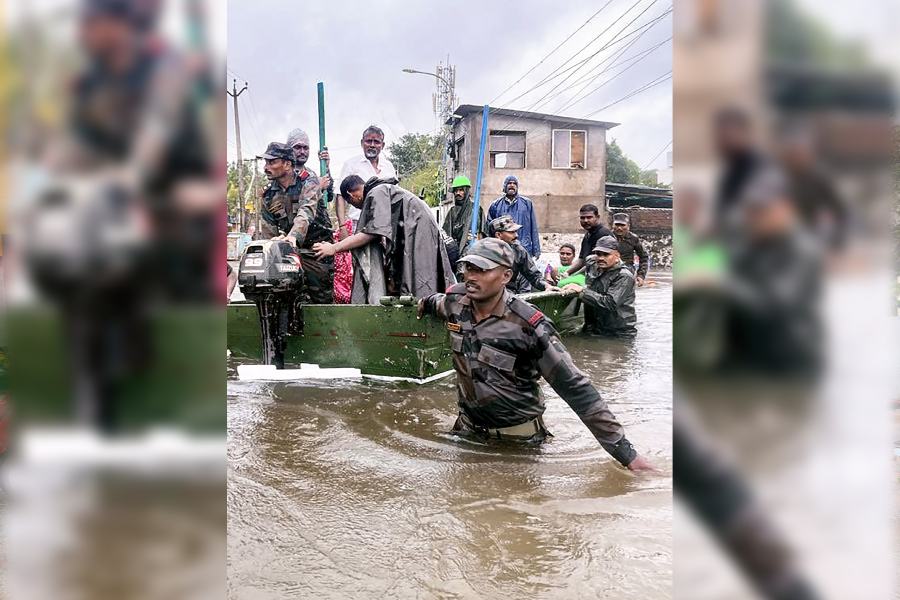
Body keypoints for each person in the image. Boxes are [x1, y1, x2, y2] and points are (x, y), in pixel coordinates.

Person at [417, 238, 653, 472]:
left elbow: (577, 389)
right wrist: (424, 303)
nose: (471, 276)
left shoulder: (529, 325)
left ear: (506, 276)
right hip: (466, 432)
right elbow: (436, 302)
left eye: (481, 270)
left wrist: (626, 454)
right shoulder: (455, 303)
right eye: (468, 268)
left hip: (518, 445)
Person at [313, 175, 454, 303]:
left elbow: (372, 232)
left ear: (351, 195)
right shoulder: (384, 190)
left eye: (352, 204)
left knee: (421, 279)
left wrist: (334, 248)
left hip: (419, 231)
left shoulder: (376, 192)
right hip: (416, 229)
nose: (357, 207)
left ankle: (424, 313)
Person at [258, 141, 334, 304]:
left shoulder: (309, 181)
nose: (266, 167)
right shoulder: (268, 195)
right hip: (288, 252)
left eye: (272, 162)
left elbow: (306, 211)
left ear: (287, 164)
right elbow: (268, 232)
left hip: (317, 251)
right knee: (280, 296)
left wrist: (293, 237)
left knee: (321, 302)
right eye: (266, 162)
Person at [562, 236, 637, 338]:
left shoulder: (624, 276)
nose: (601, 258)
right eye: (598, 254)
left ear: (617, 256)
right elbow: (587, 276)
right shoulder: (592, 263)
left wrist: (582, 291)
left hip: (617, 332)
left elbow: (610, 303)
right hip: (593, 326)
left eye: (606, 254)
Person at [335, 125, 397, 237]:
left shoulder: (388, 167)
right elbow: (340, 196)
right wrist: (342, 227)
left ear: (382, 145)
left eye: (376, 142)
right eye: (369, 141)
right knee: (362, 254)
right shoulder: (351, 164)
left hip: (386, 224)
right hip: (360, 222)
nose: (372, 145)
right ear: (362, 143)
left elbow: (395, 195)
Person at [488, 215, 549, 294]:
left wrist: (546, 286)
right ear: (498, 235)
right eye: (511, 232)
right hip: (487, 294)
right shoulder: (483, 250)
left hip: (509, 294)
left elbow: (534, 275)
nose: (516, 235)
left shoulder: (518, 250)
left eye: (516, 231)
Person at [485, 175, 541, 258]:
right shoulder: (495, 205)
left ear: (517, 187)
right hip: (503, 250)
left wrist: (536, 250)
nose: (512, 185)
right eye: (509, 183)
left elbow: (533, 227)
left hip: (524, 248)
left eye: (514, 183)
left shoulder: (527, 203)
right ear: (504, 186)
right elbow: (490, 229)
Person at [442, 175, 484, 263]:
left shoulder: (476, 209)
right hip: (455, 256)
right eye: (456, 190)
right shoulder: (452, 212)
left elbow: (484, 233)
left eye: (461, 190)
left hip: (473, 253)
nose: (458, 193)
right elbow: (445, 235)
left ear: (466, 191)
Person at [565, 204, 613, 276]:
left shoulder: (603, 235)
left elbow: (594, 263)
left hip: (600, 274)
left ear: (597, 217)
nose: (585, 220)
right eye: (582, 218)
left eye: (589, 217)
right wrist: (567, 272)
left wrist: (573, 275)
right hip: (587, 271)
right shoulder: (588, 235)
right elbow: (581, 260)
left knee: (564, 284)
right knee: (556, 272)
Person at [611, 212, 649, 286]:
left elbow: (643, 257)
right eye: (617, 225)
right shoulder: (607, 236)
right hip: (610, 269)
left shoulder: (633, 238)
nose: (619, 228)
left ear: (628, 226)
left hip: (627, 268)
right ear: (613, 225)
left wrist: (641, 275)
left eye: (622, 225)